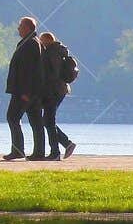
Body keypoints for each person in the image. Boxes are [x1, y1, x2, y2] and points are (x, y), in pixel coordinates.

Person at [4, 17, 44, 159]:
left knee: (13, 117)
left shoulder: (30, 44)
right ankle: (38, 152)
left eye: (20, 25)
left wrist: (25, 92)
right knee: (35, 120)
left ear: (27, 28)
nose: (18, 28)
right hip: (26, 90)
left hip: (23, 91)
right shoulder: (31, 43)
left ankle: (18, 150)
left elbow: (29, 71)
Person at [38, 30, 78, 160]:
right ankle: (66, 144)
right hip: (59, 90)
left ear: (47, 41)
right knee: (48, 120)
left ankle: (56, 152)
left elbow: (53, 74)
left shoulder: (52, 52)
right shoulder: (58, 51)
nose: (40, 43)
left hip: (54, 91)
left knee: (48, 121)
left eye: (41, 40)